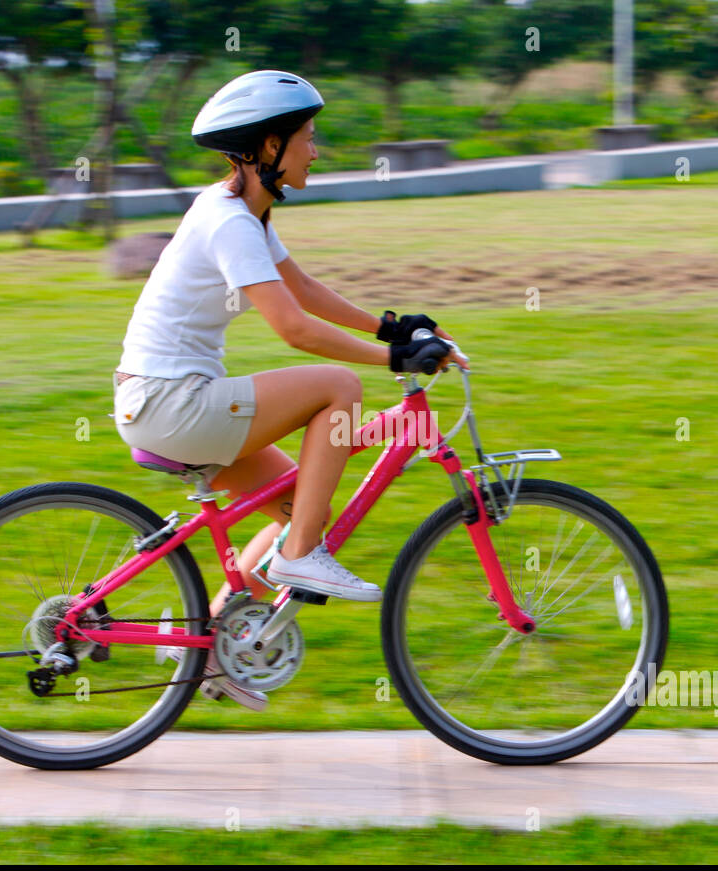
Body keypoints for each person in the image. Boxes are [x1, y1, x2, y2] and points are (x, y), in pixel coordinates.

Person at [111, 70, 467, 709]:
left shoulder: (244, 213)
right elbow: (294, 328)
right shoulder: (229, 222)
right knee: (338, 385)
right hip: (172, 403)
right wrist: (394, 359)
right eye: (307, 137)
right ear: (266, 147)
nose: (316, 149)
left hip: (170, 402)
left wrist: (394, 326)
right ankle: (301, 558)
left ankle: (213, 651)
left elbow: (303, 290)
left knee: (299, 506)